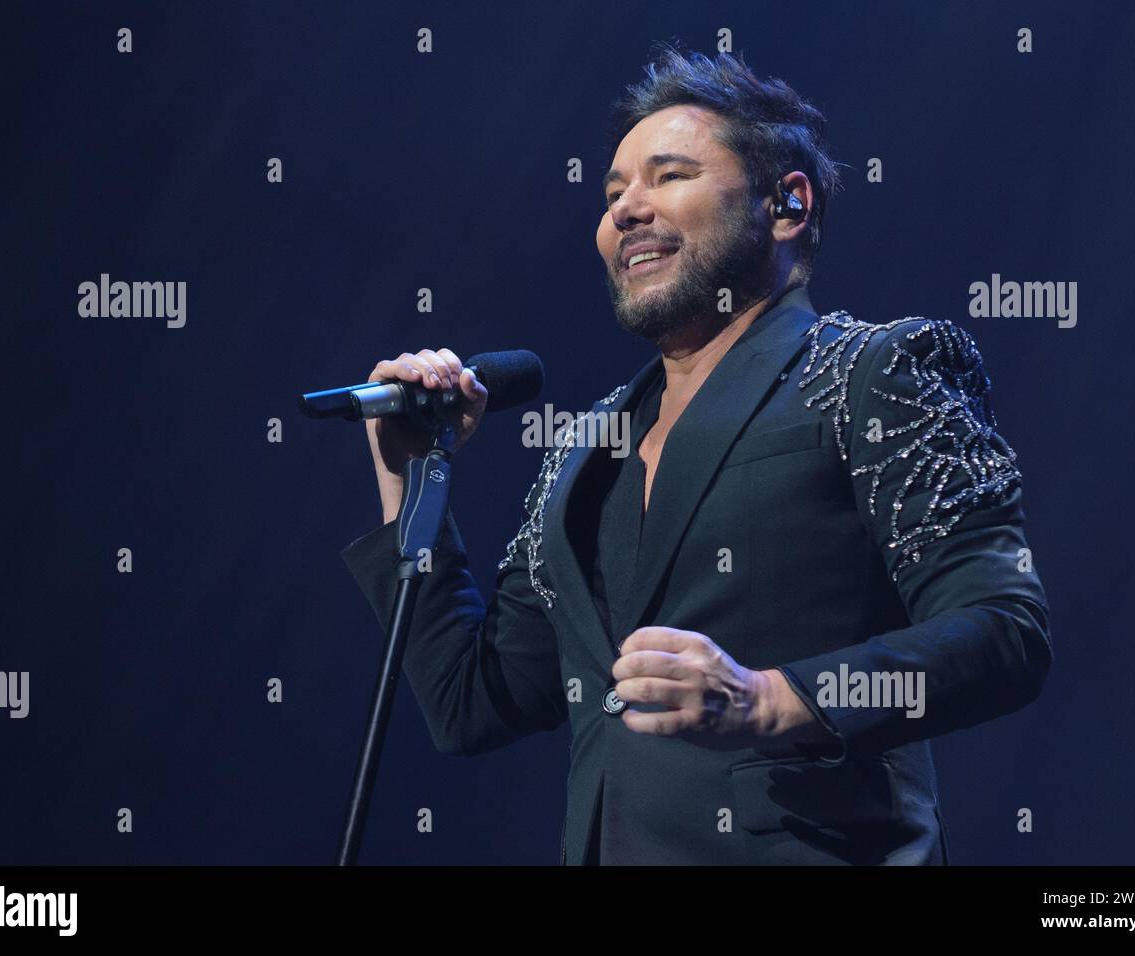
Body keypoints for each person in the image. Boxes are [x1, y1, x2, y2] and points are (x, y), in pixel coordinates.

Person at [340, 46, 1052, 865]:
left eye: (668, 176)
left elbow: (1006, 633)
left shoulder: (875, 371)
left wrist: (769, 699)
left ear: (787, 204)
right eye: (612, 195)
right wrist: (407, 479)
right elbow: (472, 702)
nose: (626, 212)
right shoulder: (587, 449)